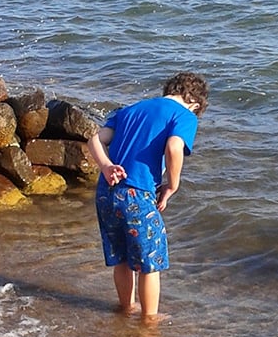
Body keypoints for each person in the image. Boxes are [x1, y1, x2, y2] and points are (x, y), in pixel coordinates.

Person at [87, 72, 209, 321]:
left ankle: (126, 309)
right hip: (137, 192)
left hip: (106, 191)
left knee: (121, 258)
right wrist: (172, 184)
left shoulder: (129, 110)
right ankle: (149, 320)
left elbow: (95, 139)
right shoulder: (184, 115)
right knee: (149, 261)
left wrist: (106, 167)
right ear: (195, 103)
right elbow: (174, 147)